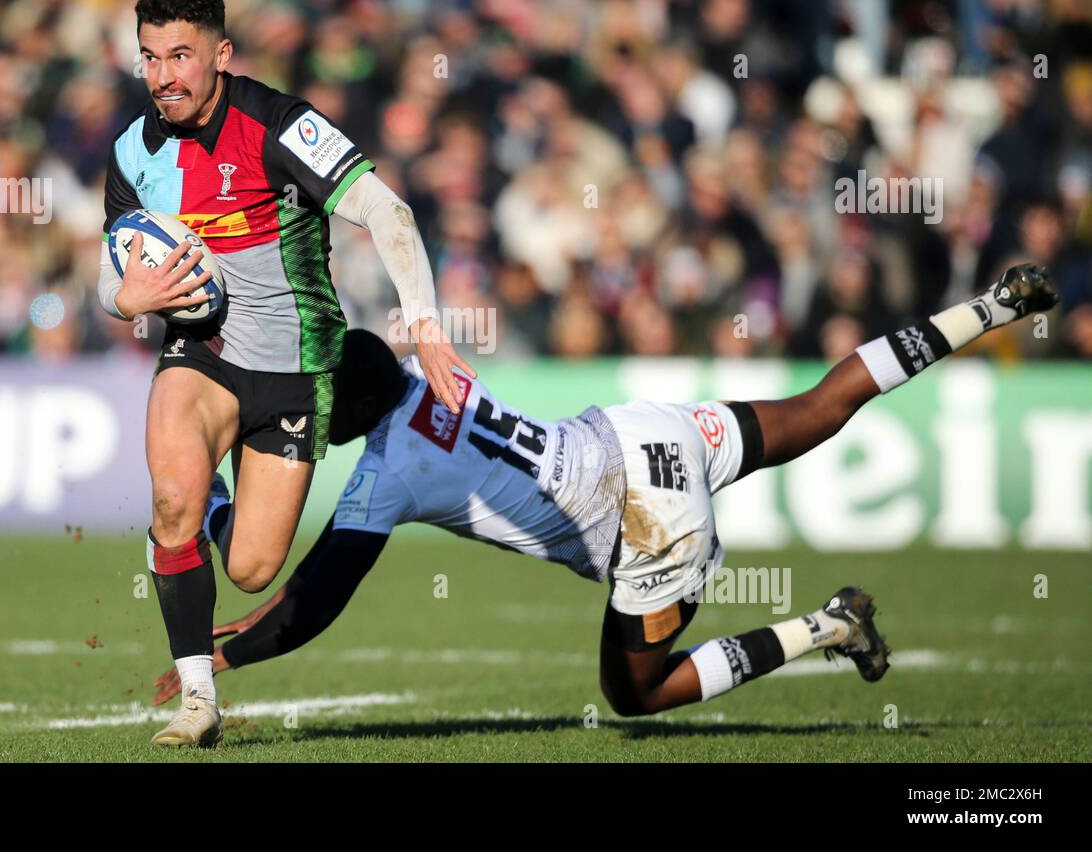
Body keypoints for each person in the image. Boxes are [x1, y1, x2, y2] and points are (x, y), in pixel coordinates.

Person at [153, 264, 1059, 725]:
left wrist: (219, 660)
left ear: (347, 409)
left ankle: (827, 625)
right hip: (645, 431)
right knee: (824, 404)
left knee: (634, 697)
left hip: (646, 526)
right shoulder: (433, 382)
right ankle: (986, 309)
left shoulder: (385, 476)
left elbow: (314, 604)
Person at [96, 0, 473, 747]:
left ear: (220, 55)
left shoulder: (280, 124)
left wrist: (426, 326)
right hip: (200, 352)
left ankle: (204, 516)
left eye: (180, 56)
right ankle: (198, 702)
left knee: (253, 570)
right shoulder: (134, 152)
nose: (164, 76)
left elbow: (387, 211)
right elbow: (115, 270)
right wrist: (126, 300)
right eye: (149, 58)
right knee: (171, 499)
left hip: (297, 368)